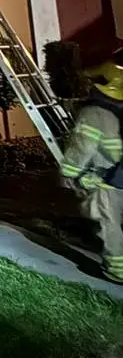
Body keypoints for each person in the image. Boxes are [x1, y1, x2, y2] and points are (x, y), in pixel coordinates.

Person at [60, 50, 123, 283]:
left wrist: (68, 174)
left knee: (110, 225)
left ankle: (117, 271)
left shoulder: (95, 113)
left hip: (109, 182)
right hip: (121, 176)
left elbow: (82, 148)